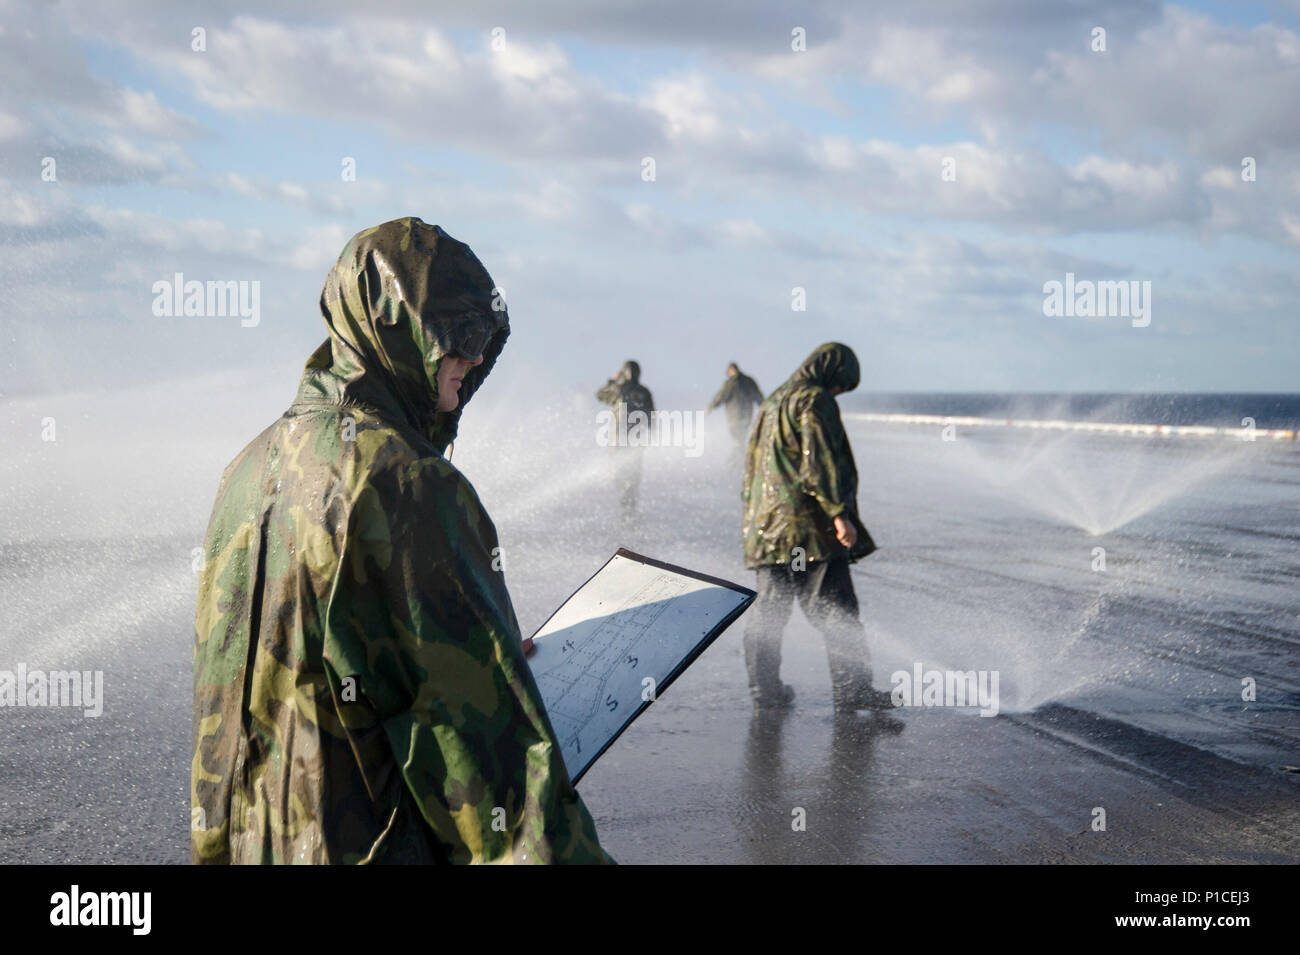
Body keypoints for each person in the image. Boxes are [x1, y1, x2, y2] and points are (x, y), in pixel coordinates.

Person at [191, 217, 613, 864]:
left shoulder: (245, 471)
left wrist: (470, 643)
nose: (474, 359)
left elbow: (298, 670)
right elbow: (501, 796)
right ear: (394, 331)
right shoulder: (407, 486)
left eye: (484, 339)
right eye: (459, 336)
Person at [740, 342, 893, 712]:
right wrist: (839, 514)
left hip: (767, 532)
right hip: (808, 532)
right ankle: (853, 692)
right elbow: (818, 463)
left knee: (770, 615)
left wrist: (754, 524)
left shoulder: (771, 401)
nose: (838, 392)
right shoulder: (814, 401)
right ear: (832, 374)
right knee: (837, 613)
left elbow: (751, 469)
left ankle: (766, 692)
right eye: (841, 385)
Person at [595, 360, 654, 519]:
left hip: (619, 440)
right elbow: (651, 417)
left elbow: (600, 395)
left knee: (620, 474)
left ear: (625, 372)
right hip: (638, 441)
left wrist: (614, 380)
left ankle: (626, 509)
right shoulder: (645, 392)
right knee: (633, 476)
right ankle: (630, 509)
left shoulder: (619, 389)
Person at [708, 362, 764, 449]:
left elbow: (720, 397)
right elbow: (758, 397)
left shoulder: (730, 383)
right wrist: (764, 407)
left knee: (737, 441)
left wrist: (710, 407)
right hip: (747, 416)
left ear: (732, 370)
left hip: (734, 418)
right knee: (742, 438)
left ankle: (738, 459)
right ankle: (741, 457)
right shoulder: (749, 381)